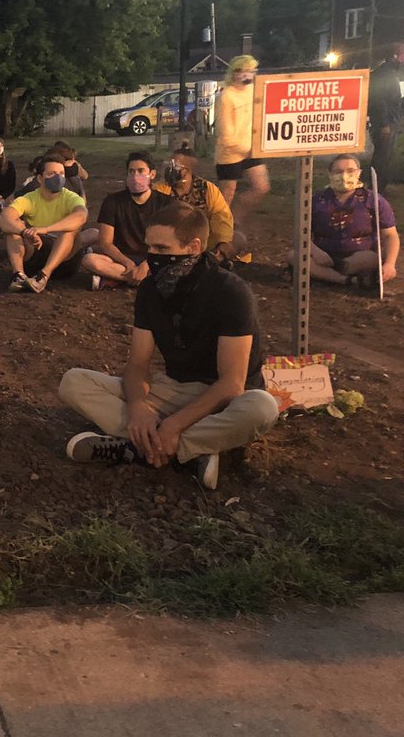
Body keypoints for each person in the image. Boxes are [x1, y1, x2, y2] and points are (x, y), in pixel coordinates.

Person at [59, 203, 280, 490]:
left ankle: (139, 448)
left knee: (262, 407)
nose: (153, 257)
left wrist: (174, 425)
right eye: (150, 248)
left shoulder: (230, 291)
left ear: (193, 246)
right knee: (73, 382)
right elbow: (138, 365)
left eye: (162, 249)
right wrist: (138, 406)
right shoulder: (152, 289)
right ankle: (192, 451)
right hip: (175, 387)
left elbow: (231, 384)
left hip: (224, 400)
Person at [81, 151, 176, 289]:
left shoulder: (166, 203)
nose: (135, 176)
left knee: (174, 264)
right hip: (121, 258)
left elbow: (168, 242)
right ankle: (143, 280)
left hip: (154, 258)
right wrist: (128, 264)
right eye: (131, 171)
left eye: (141, 171)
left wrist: (145, 265)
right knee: (89, 260)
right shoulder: (112, 201)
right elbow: (106, 243)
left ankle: (116, 279)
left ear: (152, 174)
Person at [0, 156, 87, 293]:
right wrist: (24, 232)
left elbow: (81, 216)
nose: (58, 177)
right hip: (36, 253)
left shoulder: (71, 197)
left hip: (65, 261)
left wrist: (45, 230)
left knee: (71, 230)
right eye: (51, 173)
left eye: (61, 174)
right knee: (12, 229)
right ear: (39, 178)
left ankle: (44, 275)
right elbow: (4, 218)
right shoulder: (29, 198)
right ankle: (18, 276)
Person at [310, 154, 399, 288]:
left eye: (350, 171)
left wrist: (390, 264)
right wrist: (315, 252)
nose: (344, 176)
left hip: (359, 257)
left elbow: (390, 235)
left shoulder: (373, 199)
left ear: (359, 173)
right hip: (323, 256)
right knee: (296, 257)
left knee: (370, 259)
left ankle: (325, 275)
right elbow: (300, 234)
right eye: (338, 172)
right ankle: (345, 280)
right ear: (330, 174)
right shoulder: (316, 200)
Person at [155, 146, 244, 265]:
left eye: (176, 166)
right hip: (172, 240)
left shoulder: (208, 189)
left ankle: (212, 259)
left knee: (239, 239)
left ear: (188, 170)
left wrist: (222, 242)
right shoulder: (160, 189)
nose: (170, 169)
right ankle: (210, 263)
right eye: (170, 165)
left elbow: (222, 217)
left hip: (203, 243)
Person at [215, 55, 270, 224]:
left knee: (261, 187)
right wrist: (244, 149)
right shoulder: (225, 97)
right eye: (243, 71)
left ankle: (234, 221)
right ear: (234, 73)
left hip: (252, 150)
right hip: (229, 153)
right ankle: (217, 228)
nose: (247, 75)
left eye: (251, 71)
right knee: (227, 194)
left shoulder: (255, 91)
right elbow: (225, 133)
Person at [369, 42, 404, 192]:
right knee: (381, 158)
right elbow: (379, 100)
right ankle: (375, 190)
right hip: (385, 123)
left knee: (385, 157)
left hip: (392, 120)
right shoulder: (385, 72)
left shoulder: (394, 72)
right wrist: (384, 124)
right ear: (396, 54)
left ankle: (378, 188)